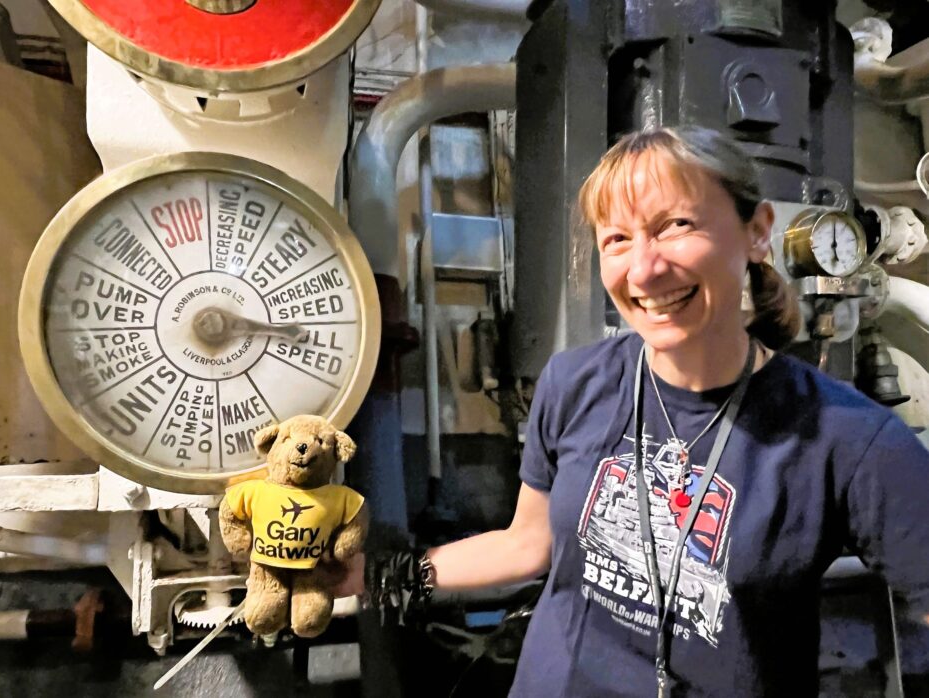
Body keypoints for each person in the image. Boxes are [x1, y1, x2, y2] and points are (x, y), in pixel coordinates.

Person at [352, 126, 929, 696]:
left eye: (676, 226)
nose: (644, 270)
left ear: (756, 232)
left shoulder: (849, 438)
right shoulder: (575, 382)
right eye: (617, 239)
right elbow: (528, 544)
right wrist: (381, 575)